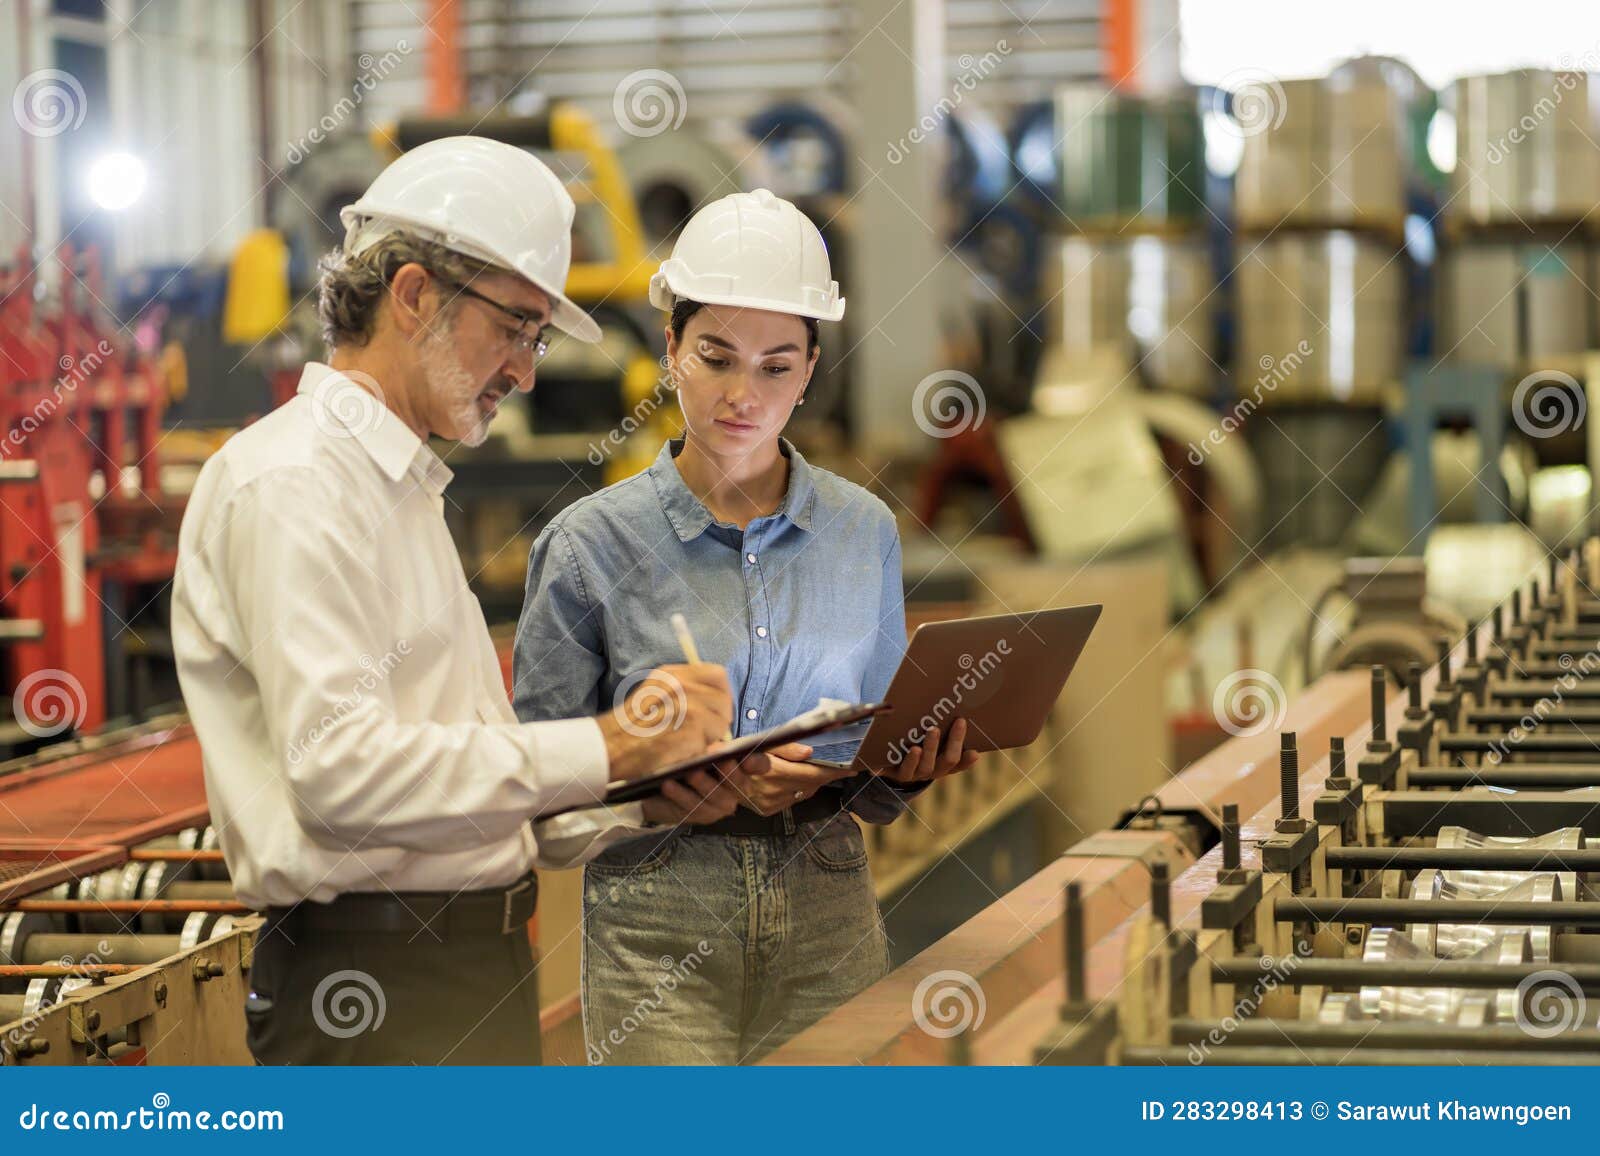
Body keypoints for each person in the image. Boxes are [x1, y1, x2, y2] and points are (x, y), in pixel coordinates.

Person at [172, 137, 758, 1066]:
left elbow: (456, 787)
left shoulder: (399, 486)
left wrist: (643, 799)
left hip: (463, 971)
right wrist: (610, 744)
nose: (525, 370)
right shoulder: (292, 485)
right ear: (412, 295)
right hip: (371, 990)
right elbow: (343, 782)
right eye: (516, 326)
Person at [514, 188, 977, 1065]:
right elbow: (536, 797)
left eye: (775, 366)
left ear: (809, 371)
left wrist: (908, 769)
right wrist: (652, 796)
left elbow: (870, 761)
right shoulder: (588, 547)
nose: (741, 395)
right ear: (671, 348)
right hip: (657, 915)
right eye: (716, 357)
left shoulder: (862, 533)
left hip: (829, 902)